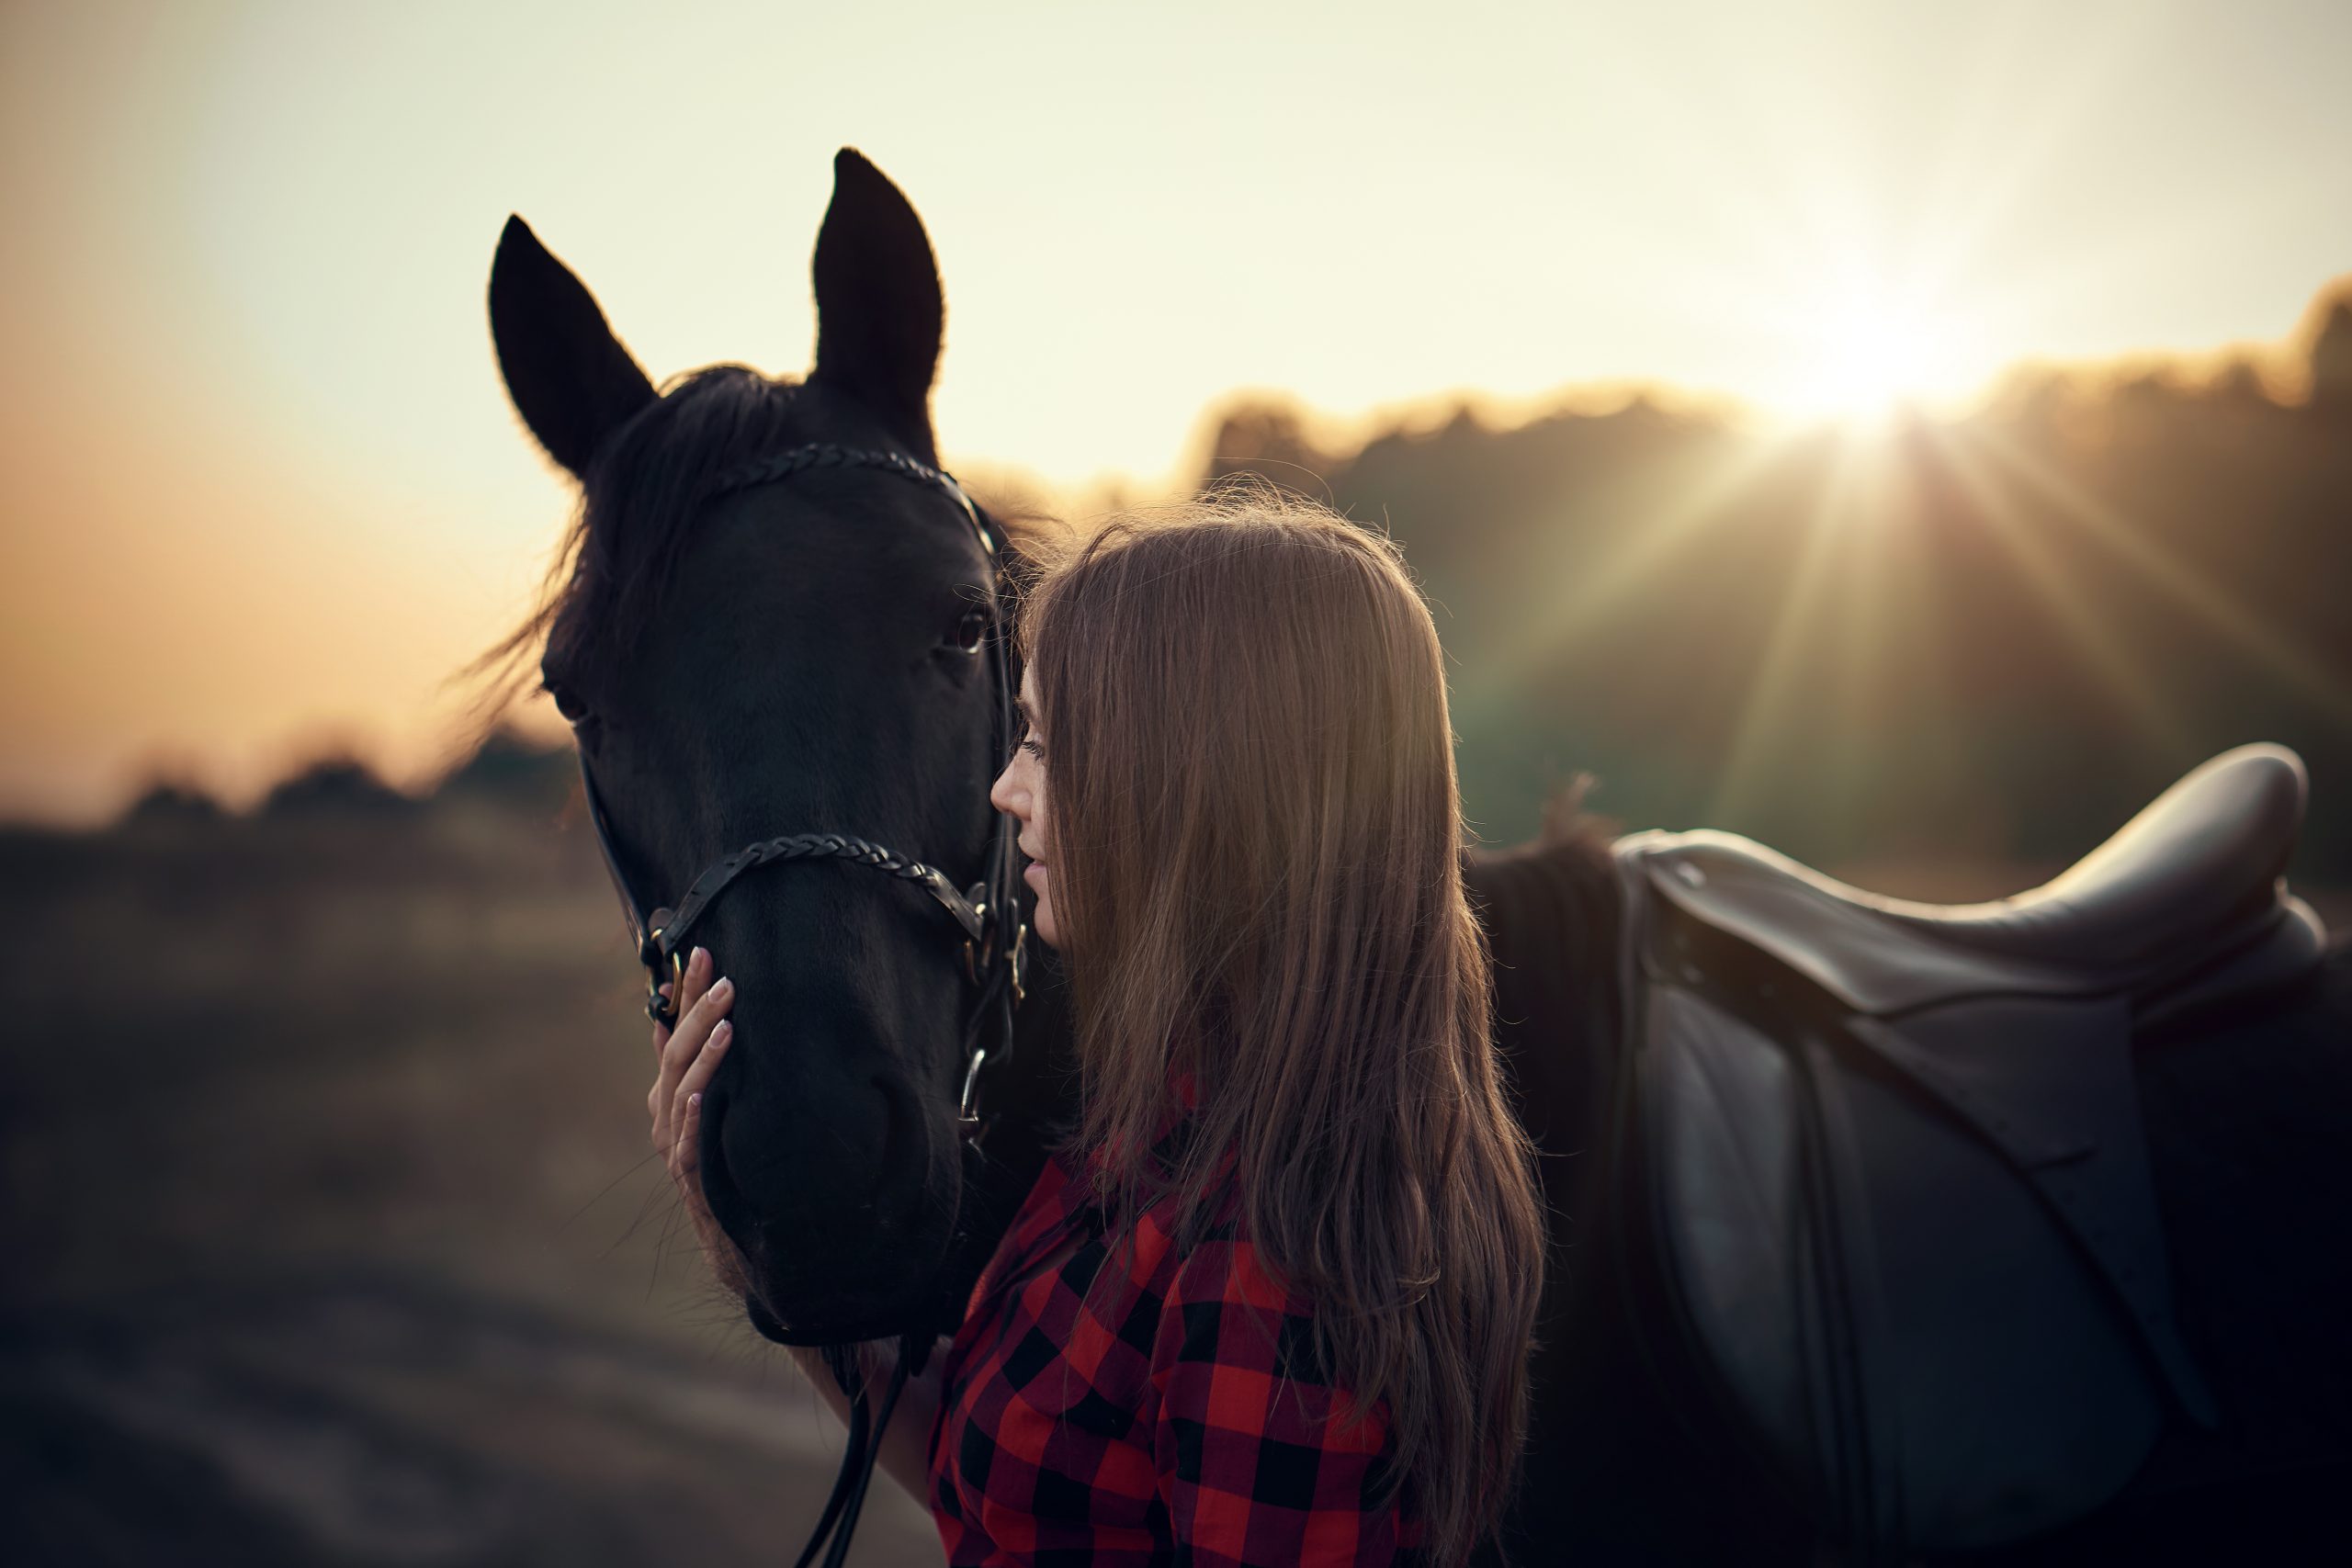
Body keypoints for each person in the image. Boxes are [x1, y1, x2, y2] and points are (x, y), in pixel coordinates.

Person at [644, 491, 1547, 1565]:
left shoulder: (1272, 1261)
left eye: (1043, 742)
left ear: (1192, 788)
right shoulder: (1162, 1119)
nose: (1005, 790)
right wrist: (755, 1257)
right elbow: (998, 1486)